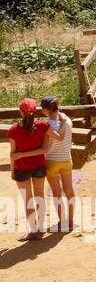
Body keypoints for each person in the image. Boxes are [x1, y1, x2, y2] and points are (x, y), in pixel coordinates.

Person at [7, 98, 49, 241]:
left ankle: (33, 230)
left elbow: (12, 154)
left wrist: (12, 171)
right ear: (35, 110)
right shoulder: (43, 126)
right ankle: (42, 228)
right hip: (39, 166)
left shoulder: (13, 130)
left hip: (22, 168)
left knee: (28, 200)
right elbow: (45, 148)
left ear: (20, 112)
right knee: (40, 196)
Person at [40, 95, 77, 234]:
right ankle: (71, 221)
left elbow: (48, 142)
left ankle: (63, 222)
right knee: (69, 191)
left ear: (45, 110)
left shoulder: (47, 125)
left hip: (51, 161)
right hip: (67, 160)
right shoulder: (67, 120)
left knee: (57, 193)